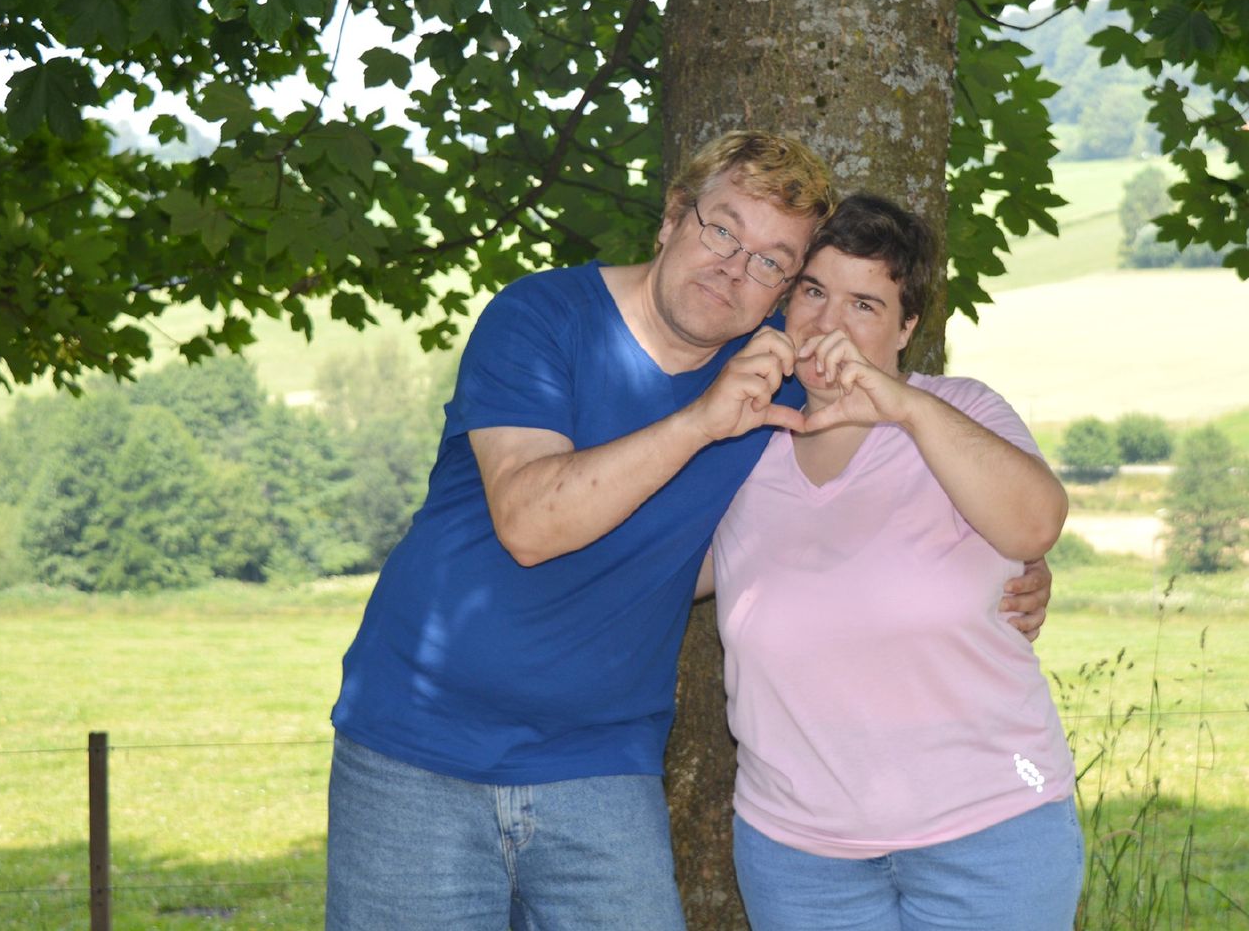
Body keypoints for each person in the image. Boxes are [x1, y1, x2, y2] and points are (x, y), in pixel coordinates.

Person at [324, 132, 1052, 930]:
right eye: (722, 231)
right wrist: (700, 421)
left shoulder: (780, 382)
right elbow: (530, 524)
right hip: (419, 741)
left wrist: (1004, 565)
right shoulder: (544, 316)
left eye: (771, 262)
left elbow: (833, 519)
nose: (735, 268)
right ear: (673, 217)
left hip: (601, 759)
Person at [707, 193, 1083, 930]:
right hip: (798, 858)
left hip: (992, 833)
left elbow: (1035, 524)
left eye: (865, 305)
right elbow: (646, 566)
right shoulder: (743, 433)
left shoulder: (958, 412)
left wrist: (901, 406)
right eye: (813, 292)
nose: (829, 324)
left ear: (908, 328)